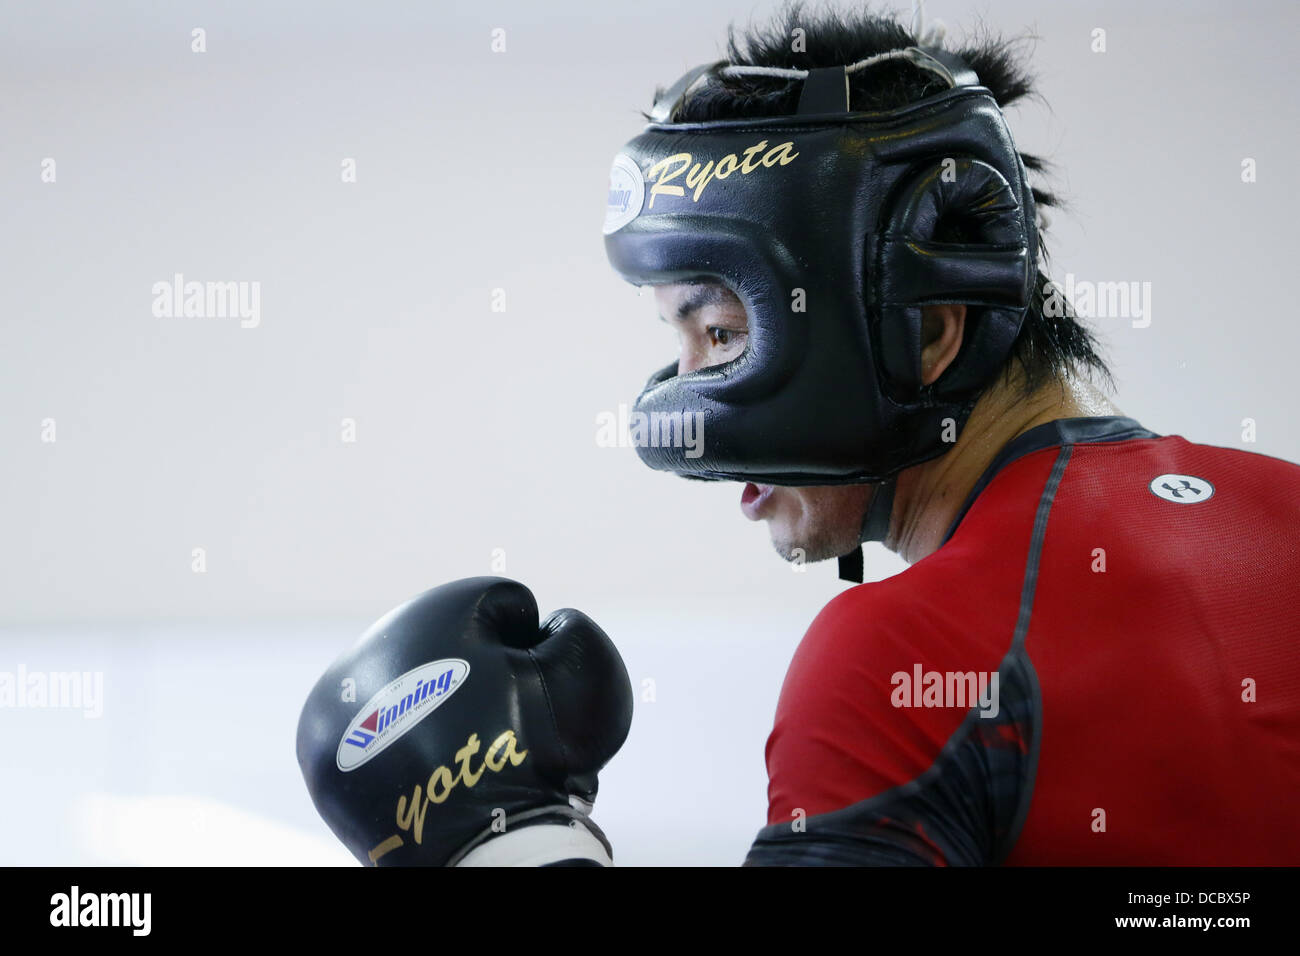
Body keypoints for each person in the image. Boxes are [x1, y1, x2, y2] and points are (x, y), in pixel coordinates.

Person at [297, 3, 1300, 866]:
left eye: (724, 331)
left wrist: (510, 847)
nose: (691, 407)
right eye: (680, 340)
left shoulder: (907, 654)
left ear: (928, 328)